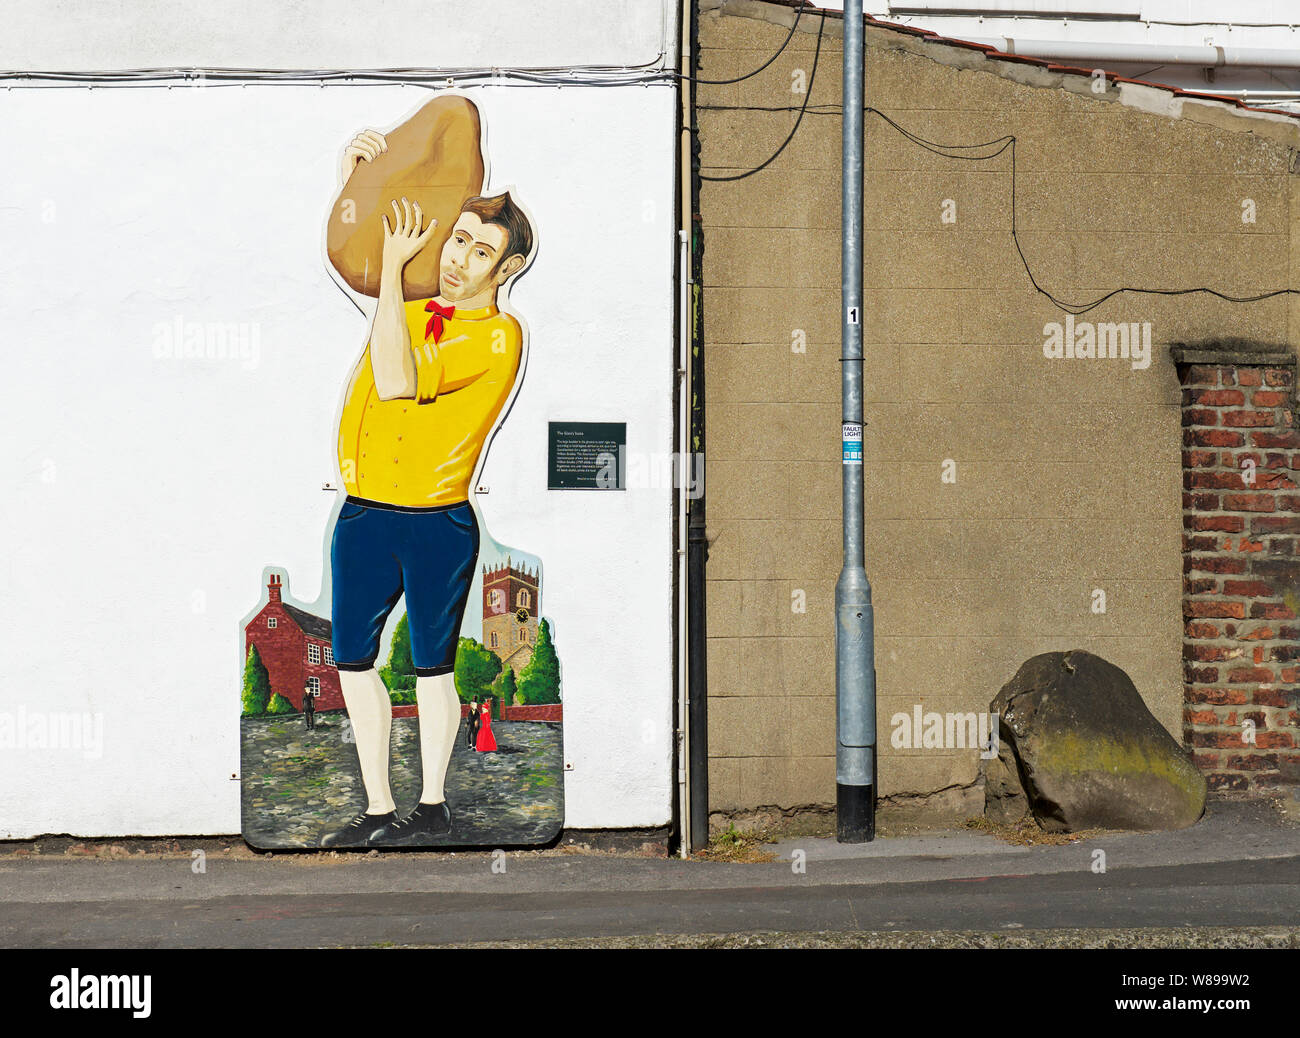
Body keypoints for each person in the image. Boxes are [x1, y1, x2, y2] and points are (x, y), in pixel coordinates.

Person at [320, 127, 535, 850]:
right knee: (352, 657)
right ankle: (379, 807)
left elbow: (397, 377)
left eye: (481, 250)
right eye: (457, 239)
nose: (457, 259)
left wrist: (388, 266)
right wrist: (353, 186)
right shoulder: (408, 311)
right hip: (363, 513)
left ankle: (434, 803)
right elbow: (365, 296)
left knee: (432, 664)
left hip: (435, 519)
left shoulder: (498, 337)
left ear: (509, 267)